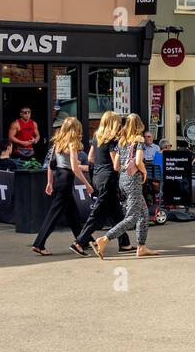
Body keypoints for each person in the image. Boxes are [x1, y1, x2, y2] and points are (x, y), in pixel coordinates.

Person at [93, 114, 159, 259]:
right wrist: (145, 172)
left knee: (143, 214)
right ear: (139, 125)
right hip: (134, 181)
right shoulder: (139, 140)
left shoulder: (121, 141)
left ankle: (141, 247)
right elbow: (139, 161)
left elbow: (116, 166)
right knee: (132, 217)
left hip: (122, 179)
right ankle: (105, 239)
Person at [31, 117, 93, 256]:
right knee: (54, 214)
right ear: (75, 129)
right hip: (66, 179)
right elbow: (75, 168)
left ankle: (85, 240)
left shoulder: (57, 143)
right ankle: (39, 244)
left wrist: (50, 182)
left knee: (72, 214)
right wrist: (87, 184)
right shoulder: (71, 144)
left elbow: (51, 165)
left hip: (59, 177)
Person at [74, 111, 132, 254]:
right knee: (98, 214)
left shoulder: (96, 137)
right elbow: (116, 164)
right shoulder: (113, 140)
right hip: (108, 179)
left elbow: (90, 158)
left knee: (116, 213)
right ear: (114, 123)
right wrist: (128, 166)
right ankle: (79, 242)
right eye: (118, 121)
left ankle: (124, 244)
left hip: (98, 178)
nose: (120, 124)